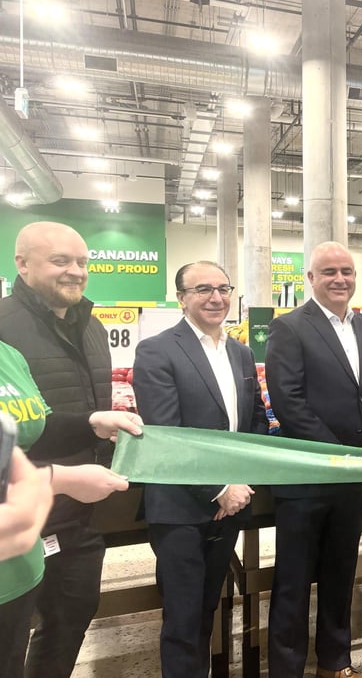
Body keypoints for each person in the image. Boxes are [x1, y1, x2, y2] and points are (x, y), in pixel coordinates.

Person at [132, 261, 268, 678]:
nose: (216, 297)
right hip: (180, 508)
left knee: (208, 605)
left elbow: (255, 422)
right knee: (183, 616)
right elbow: (165, 434)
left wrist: (238, 482)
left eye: (224, 288)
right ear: (181, 298)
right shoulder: (157, 350)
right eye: (203, 289)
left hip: (230, 503)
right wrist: (217, 488)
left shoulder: (240, 351)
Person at [265, 241, 362, 678]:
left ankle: (336, 662)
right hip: (307, 477)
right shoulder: (289, 328)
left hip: (354, 475)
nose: (340, 279)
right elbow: (289, 401)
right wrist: (337, 453)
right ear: (310, 279)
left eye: (347, 271)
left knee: (342, 574)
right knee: (294, 581)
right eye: (329, 272)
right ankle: (287, 669)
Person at [0, 221, 117, 678]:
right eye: (60, 261)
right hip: (18, 514)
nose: (75, 271)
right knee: (11, 633)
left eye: (82, 262)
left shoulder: (94, 328)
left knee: (70, 620)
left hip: (81, 512)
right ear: (22, 264)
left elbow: (89, 413)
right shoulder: (4, 328)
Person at [0, 338, 140, 678]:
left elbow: (35, 430)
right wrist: (61, 479)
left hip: (19, 567)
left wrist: (91, 422)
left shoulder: (9, 353)